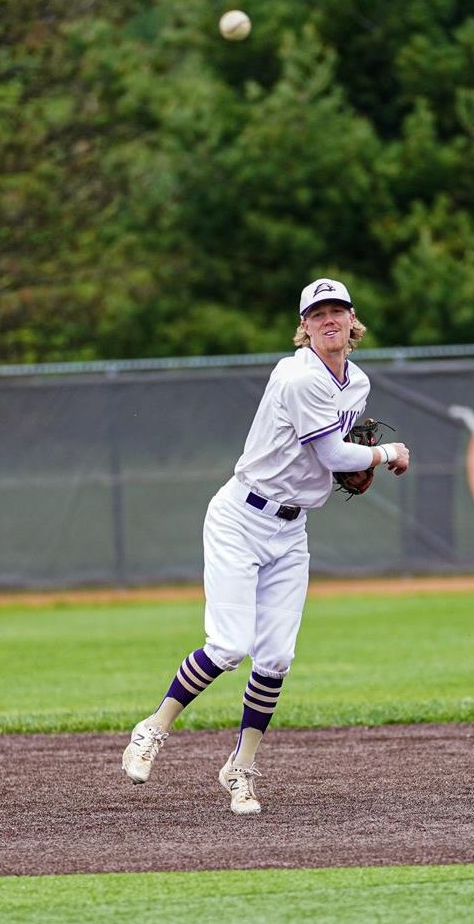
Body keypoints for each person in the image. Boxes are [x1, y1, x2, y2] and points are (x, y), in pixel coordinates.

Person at [120, 278, 410, 814]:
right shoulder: (296, 376)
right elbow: (332, 456)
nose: (328, 320)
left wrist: (359, 454)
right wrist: (385, 452)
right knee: (229, 646)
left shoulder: (358, 382)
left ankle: (240, 768)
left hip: (291, 528)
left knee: (275, 656)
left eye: (337, 311)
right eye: (316, 313)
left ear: (352, 321)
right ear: (303, 327)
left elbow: (334, 453)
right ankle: (153, 729)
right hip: (240, 517)